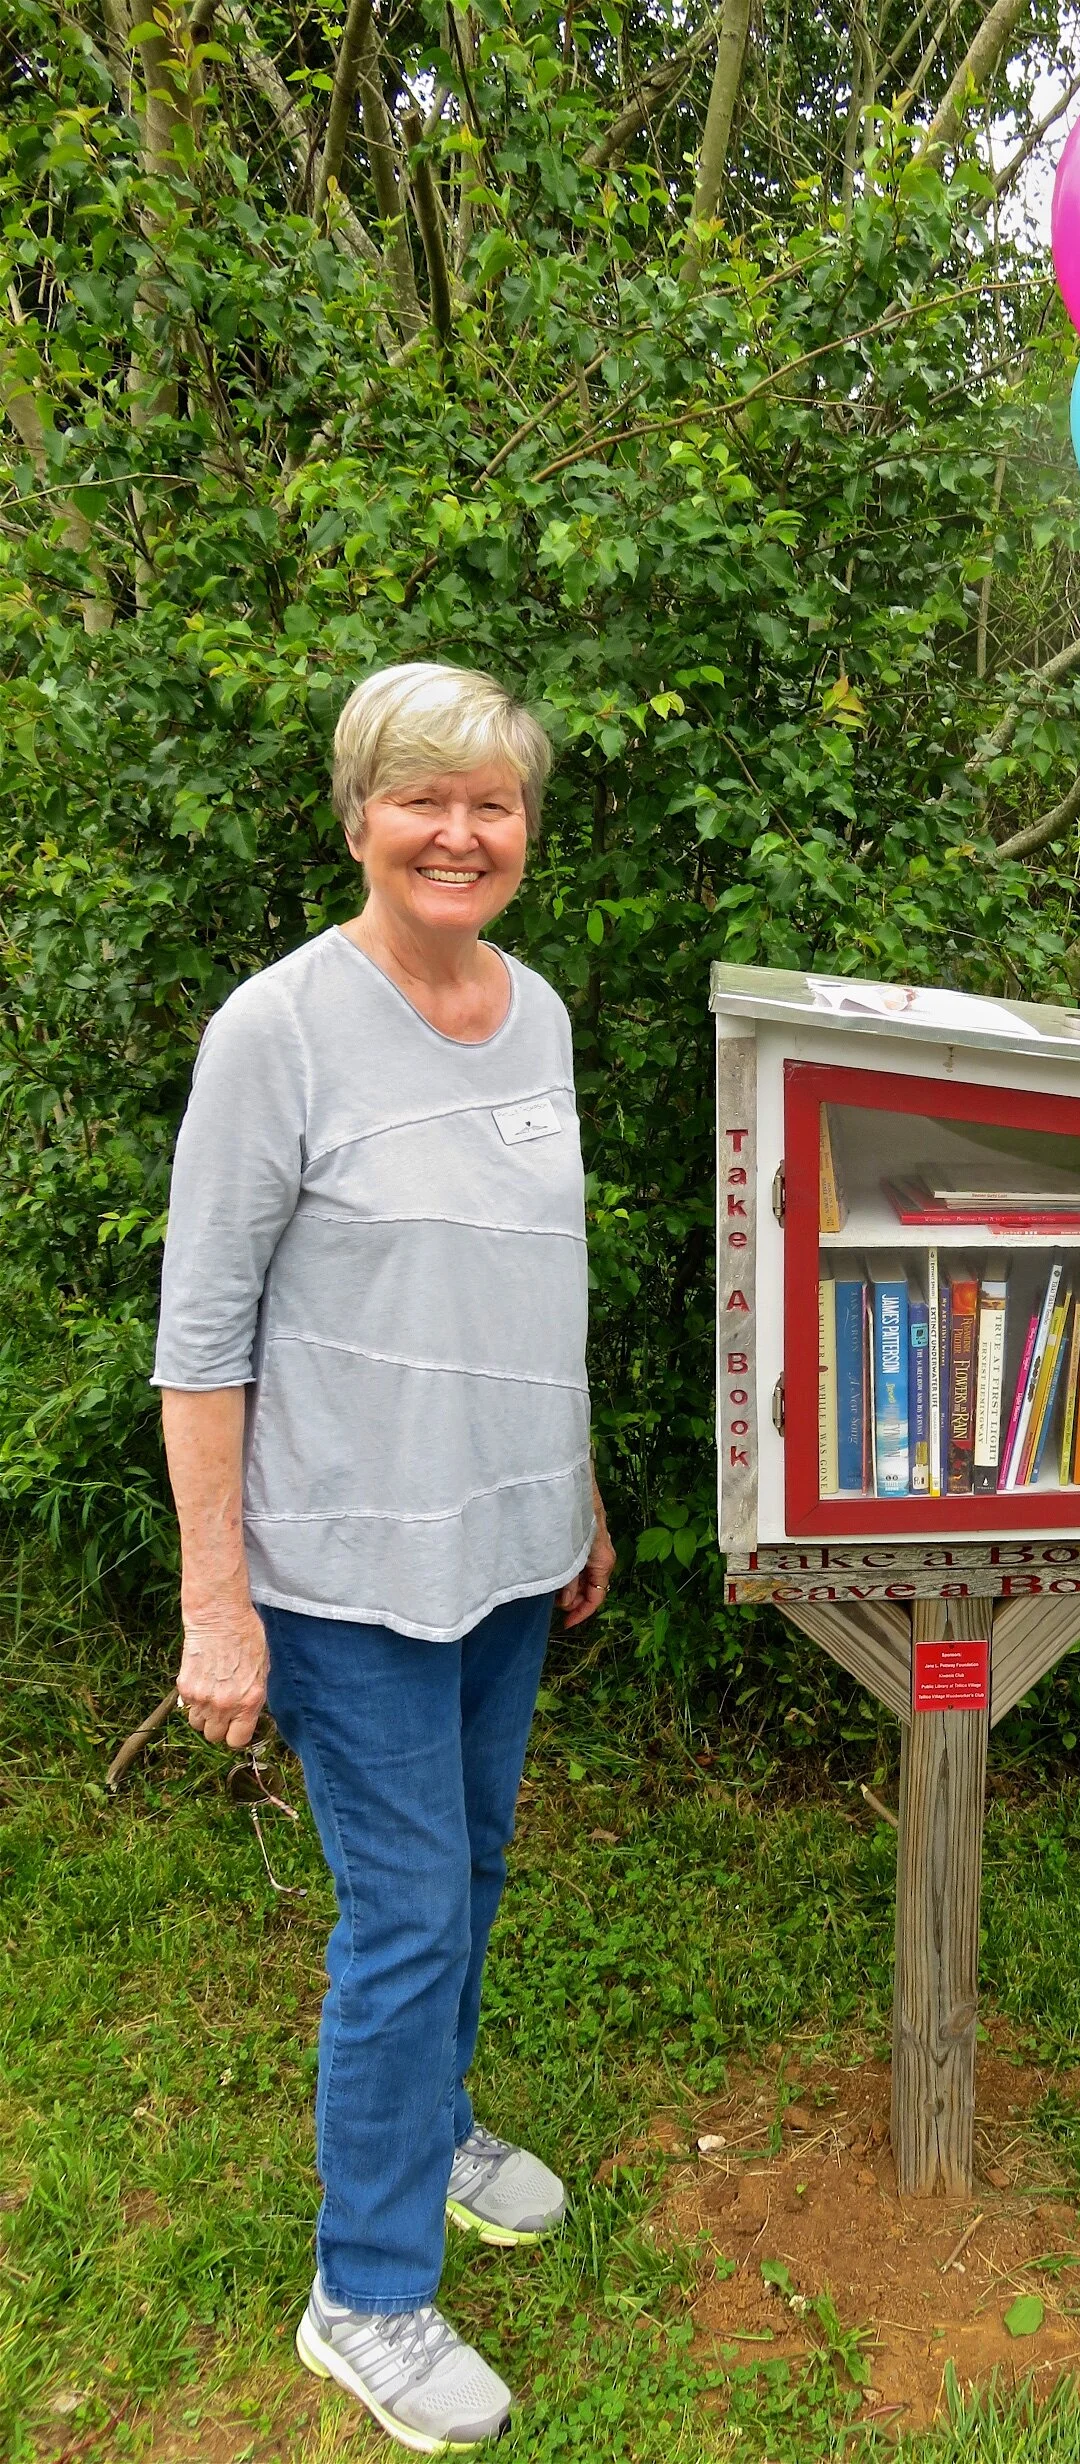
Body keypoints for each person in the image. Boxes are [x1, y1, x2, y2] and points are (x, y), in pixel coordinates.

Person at [154, 661, 616, 2451]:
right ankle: (365, 2293)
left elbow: (526, 1281)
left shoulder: (545, 1015)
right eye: (422, 799)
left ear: (524, 835)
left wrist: (566, 1491)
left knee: (475, 1871)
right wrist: (217, 1604)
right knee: (409, 1913)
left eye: (491, 803)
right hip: (342, 1568)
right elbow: (205, 1339)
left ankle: (433, 2134)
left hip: (505, 1544)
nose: (458, 831)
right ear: (357, 820)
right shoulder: (274, 1032)